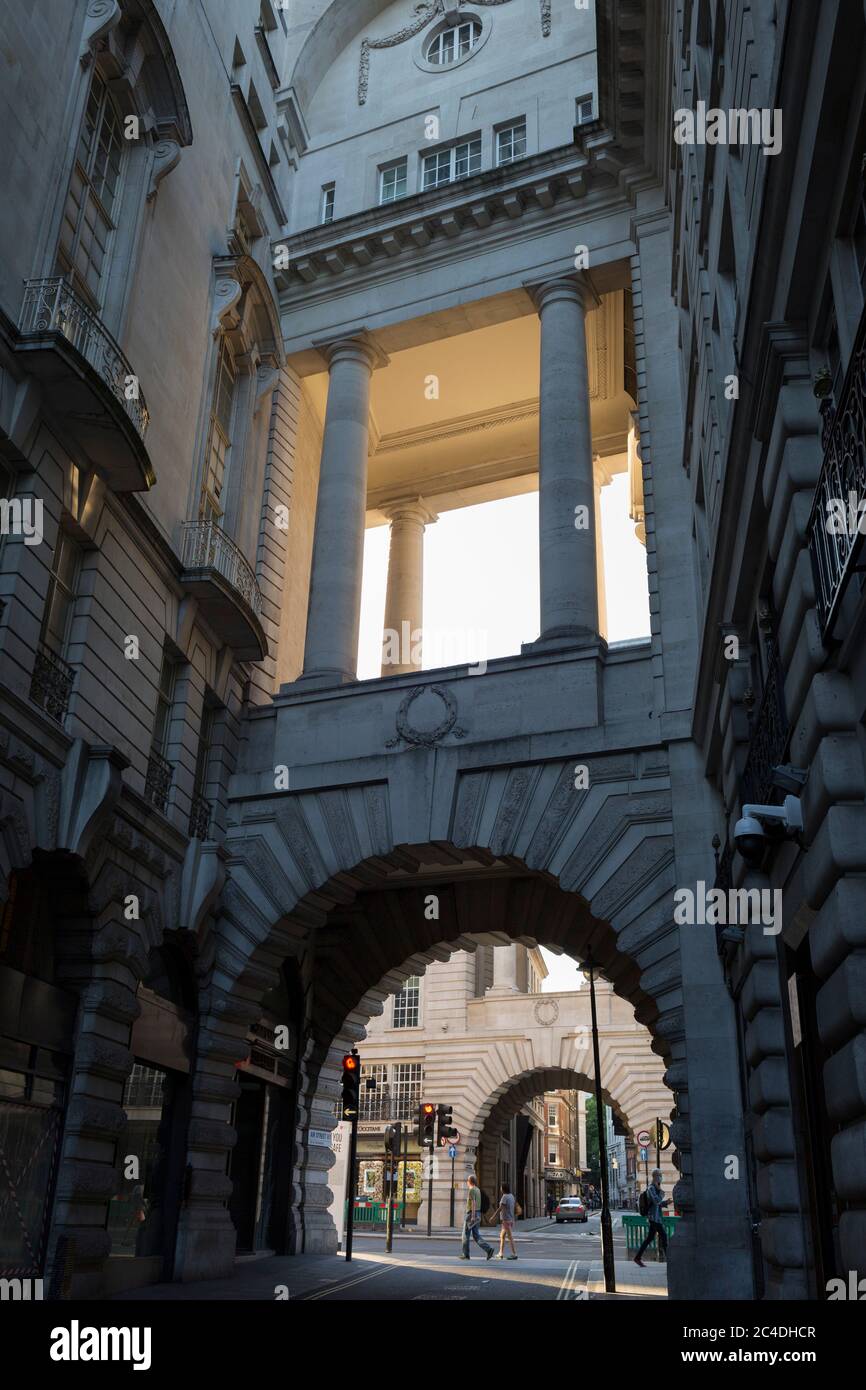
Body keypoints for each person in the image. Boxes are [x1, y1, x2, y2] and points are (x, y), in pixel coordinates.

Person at [634, 1169, 669, 1267]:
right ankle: (669, 1259)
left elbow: (657, 1204)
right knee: (664, 1236)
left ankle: (637, 1257)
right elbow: (656, 1201)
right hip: (653, 1218)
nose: (661, 1177)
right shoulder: (651, 1188)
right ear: (655, 1176)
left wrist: (666, 1203)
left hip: (656, 1217)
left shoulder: (655, 1188)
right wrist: (661, 1193)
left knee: (650, 1238)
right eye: (659, 1175)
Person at [461, 1175, 495, 1261]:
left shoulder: (472, 1190)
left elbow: (473, 1203)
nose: (467, 1182)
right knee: (476, 1235)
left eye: (467, 1181)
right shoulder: (478, 1190)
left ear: (469, 1181)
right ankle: (489, 1249)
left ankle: (465, 1254)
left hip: (471, 1214)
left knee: (465, 1234)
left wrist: (472, 1216)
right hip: (478, 1213)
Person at [496, 1184, 518, 1260]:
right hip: (510, 1219)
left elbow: (500, 1208)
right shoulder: (511, 1196)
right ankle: (500, 1253)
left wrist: (493, 1216)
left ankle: (514, 1254)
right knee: (502, 1236)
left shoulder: (504, 1197)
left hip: (506, 1220)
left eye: (501, 1188)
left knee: (510, 1237)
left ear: (503, 1189)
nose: (500, 1189)